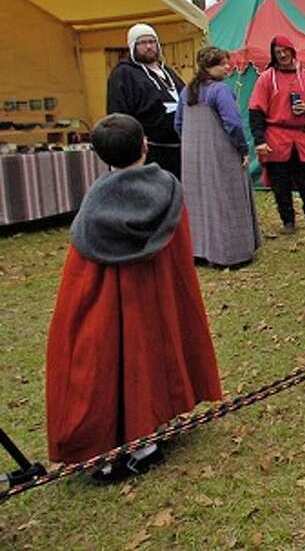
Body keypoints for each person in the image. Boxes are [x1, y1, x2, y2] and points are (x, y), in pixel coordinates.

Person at [45, 113, 223, 481]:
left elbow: (81, 280)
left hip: (118, 308)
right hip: (150, 303)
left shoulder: (94, 209)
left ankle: (132, 443)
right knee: (142, 355)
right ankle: (143, 439)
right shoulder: (169, 189)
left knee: (105, 362)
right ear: (145, 144)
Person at [174, 47, 261, 267]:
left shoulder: (186, 92)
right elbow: (233, 124)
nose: (227, 67)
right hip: (219, 153)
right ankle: (230, 254)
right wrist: (242, 149)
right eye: (223, 63)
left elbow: (178, 124)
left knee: (198, 203)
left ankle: (199, 251)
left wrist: (192, 144)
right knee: (226, 199)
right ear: (210, 67)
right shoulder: (220, 90)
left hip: (193, 156)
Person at [248, 36, 305, 233]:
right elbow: (256, 110)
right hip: (277, 136)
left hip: (302, 136)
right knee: (280, 181)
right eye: (278, 52)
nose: (283, 55)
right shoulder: (267, 78)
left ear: (292, 51)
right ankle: (288, 221)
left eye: (285, 50)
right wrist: (259, 140)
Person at [106, 23, 186, 178]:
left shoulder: (167, 71)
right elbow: (118, 114)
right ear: (132, 46)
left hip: (177, 150)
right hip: (149, 152)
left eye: (152, 42)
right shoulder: (123, 74)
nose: (149, 46)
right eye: (142, 43)